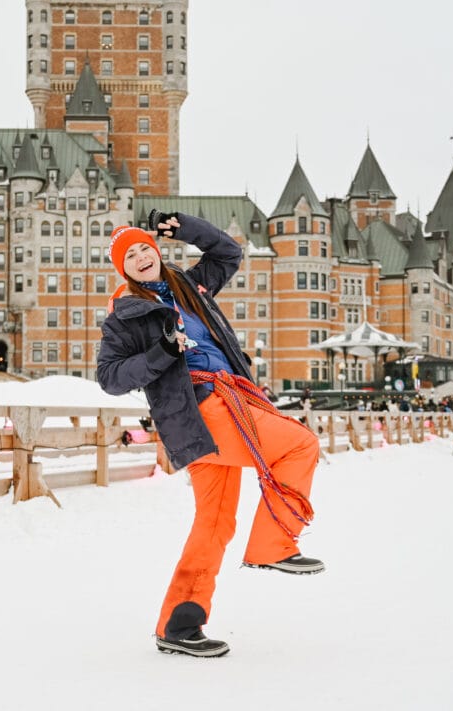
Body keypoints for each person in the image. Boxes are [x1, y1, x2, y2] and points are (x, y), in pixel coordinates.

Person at [97, 210, 322, 659]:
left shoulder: (189, 286)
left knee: (215, 523)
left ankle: (181, 624)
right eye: (130, 255)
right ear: (122, 269)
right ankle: (274, 544)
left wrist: (184, 227)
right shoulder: (127, 315)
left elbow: (228, 252)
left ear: (157, 251)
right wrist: (162, 353)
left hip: (229, 402)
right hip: (202, 408)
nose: (141, 257)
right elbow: (110, 377)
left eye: (145, 247)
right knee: (301, 442)